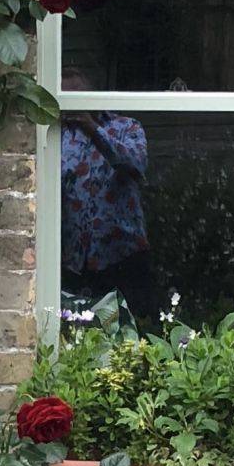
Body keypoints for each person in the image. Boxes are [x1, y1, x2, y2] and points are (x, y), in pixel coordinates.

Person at [60, 112, 155, 319]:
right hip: (74, 261)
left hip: (122, 254)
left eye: (75, 79)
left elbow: (136, 164)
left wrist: (93, 129)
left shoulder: (127, 127)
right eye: (65, 79)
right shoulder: (57, 135)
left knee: (133, 329)